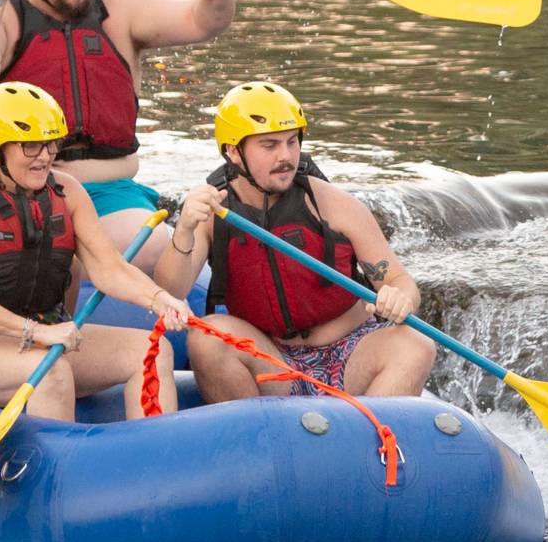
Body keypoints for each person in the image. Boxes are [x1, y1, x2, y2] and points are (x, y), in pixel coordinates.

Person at [0, 0, 232, 262]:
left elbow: (205, 22)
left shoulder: (122, 11)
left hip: (110, 192)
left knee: (152, 248)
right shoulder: (7, 14)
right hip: (22, 190)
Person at [0, 82, 189, 421]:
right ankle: (58, 456)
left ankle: (155, 450)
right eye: (30, 146)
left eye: (51, 144)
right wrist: (35, 332)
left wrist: (159, 299)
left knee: (153, 351)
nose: (45, 156)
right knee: (51, 371)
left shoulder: (67, 191)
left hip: (44, 332)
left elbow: (109, 268)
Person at [151, 81, 432, 404]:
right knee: (206, 336)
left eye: (291, 141)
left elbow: (398, 280)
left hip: (352, 353)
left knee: (416, 345)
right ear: (233, 151)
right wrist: (185, 229)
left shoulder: (332, 203)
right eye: (269, 145)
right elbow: (168, 292)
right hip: (274, 361)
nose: (285, 156)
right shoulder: (213, 213)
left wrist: (400, 299)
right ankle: (259, 433)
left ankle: (362, 435)